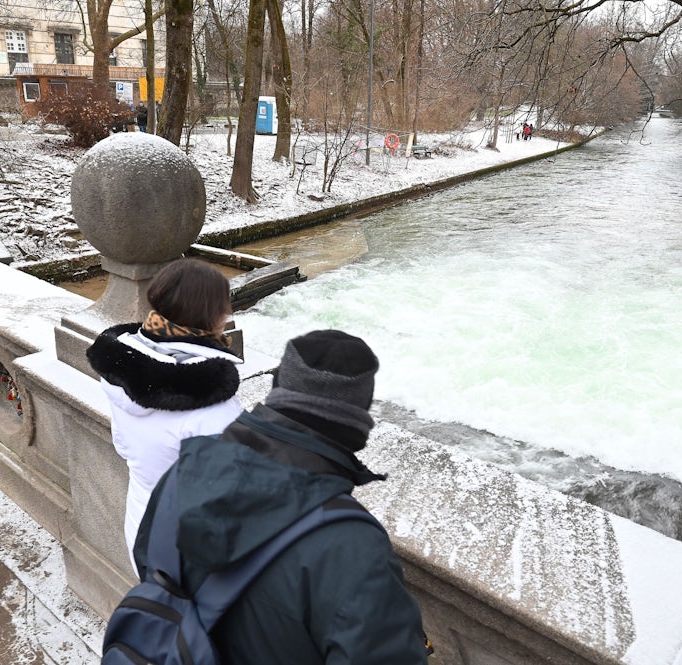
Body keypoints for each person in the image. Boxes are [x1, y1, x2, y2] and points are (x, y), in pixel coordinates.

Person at [133, 329, 429, 664]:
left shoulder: (185, 471)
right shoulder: (353, 546)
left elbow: (148, 566)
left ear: (277, 388)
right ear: (358, 423)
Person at [86, 257, 243, 572]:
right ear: (209, 316)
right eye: (224, 308)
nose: (228, 315)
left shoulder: (124, 366)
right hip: (191, 551)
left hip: (142, 522)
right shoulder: (212, 411)